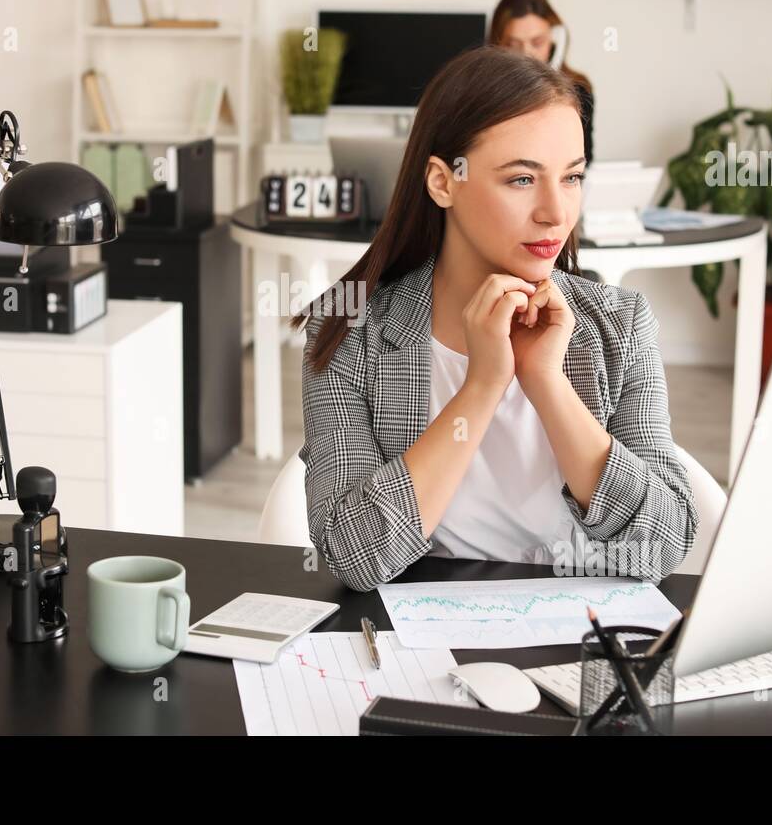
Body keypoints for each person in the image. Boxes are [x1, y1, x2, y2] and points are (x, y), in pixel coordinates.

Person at [293, 45, 695, 593]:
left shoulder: (619, 325)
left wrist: (547, 383)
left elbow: (665, 541)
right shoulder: (350, 333)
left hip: (575, 640)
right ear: (443, 182)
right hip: (415, 644)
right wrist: (481, 386)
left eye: (572, 177)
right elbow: (352, 555)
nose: (556, 211)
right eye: (522, 179)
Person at [489, 0, 595, 165]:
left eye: (537, 43)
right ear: (497, 44)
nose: (526, 53)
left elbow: (585, 160)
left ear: (556, 39)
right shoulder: (484, 92)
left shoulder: (578, 91)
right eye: (513, 45)